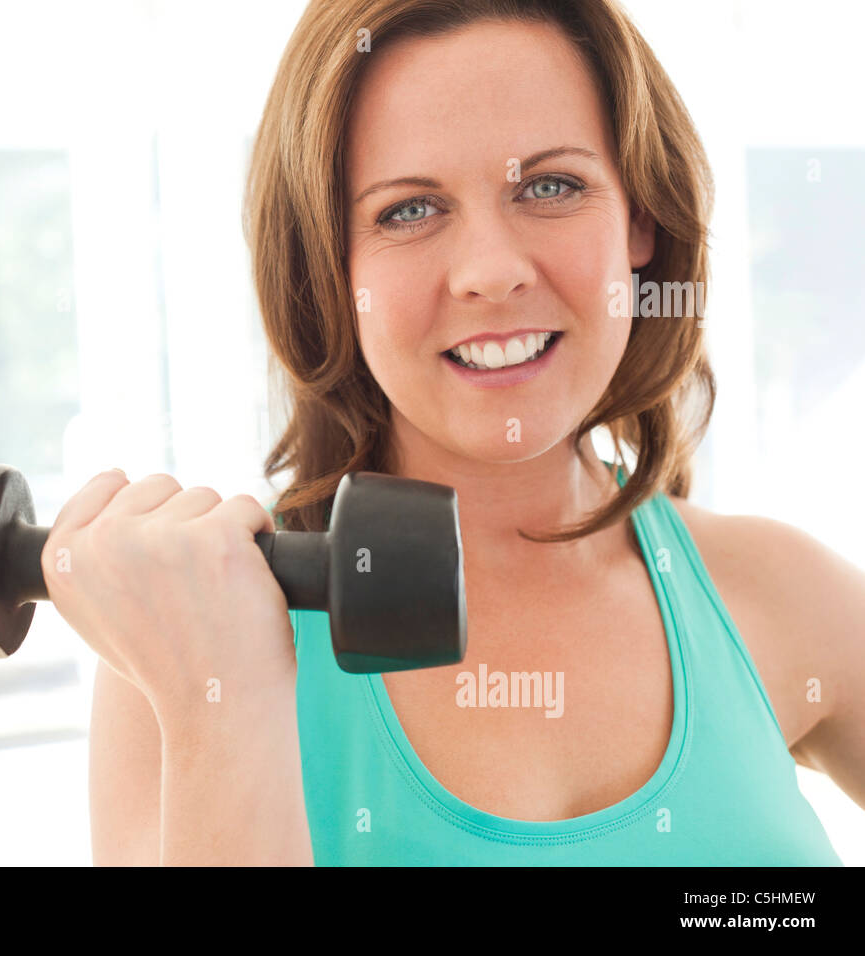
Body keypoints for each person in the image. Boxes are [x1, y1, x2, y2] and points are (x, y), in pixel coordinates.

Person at [42, 0, 865, 865]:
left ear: (639, 220)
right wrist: (228, 701)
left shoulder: (782, 593)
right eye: (408, 211)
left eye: (550, 186)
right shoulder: (182, 654)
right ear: (331, 264)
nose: (493, 272)